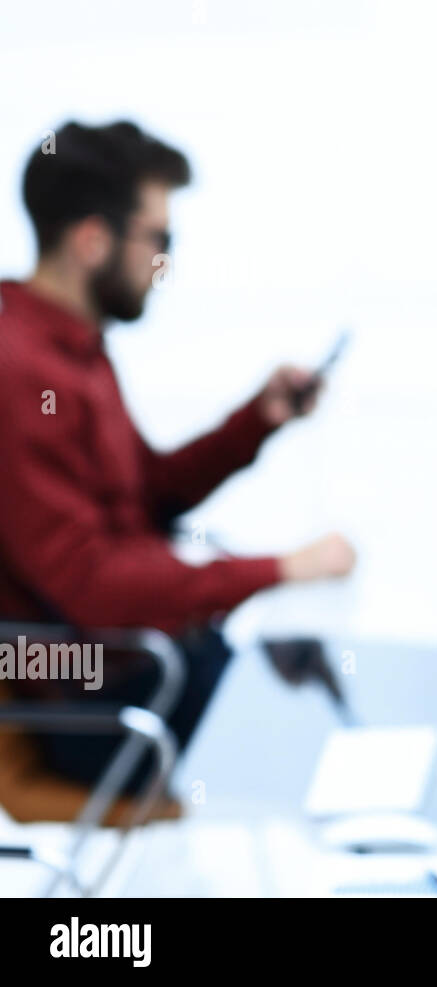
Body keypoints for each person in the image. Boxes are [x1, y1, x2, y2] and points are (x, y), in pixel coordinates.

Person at [0, 119, 356, 797]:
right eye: (160, 240)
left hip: (144, 669)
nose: (166, 263)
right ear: (92, 241)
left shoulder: (73, 348)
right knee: (319, 730)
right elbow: (93, 584)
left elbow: (144, 495)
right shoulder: (21, 372)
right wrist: (278, 568)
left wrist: (257, 420)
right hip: (103, 710)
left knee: (324, 675)